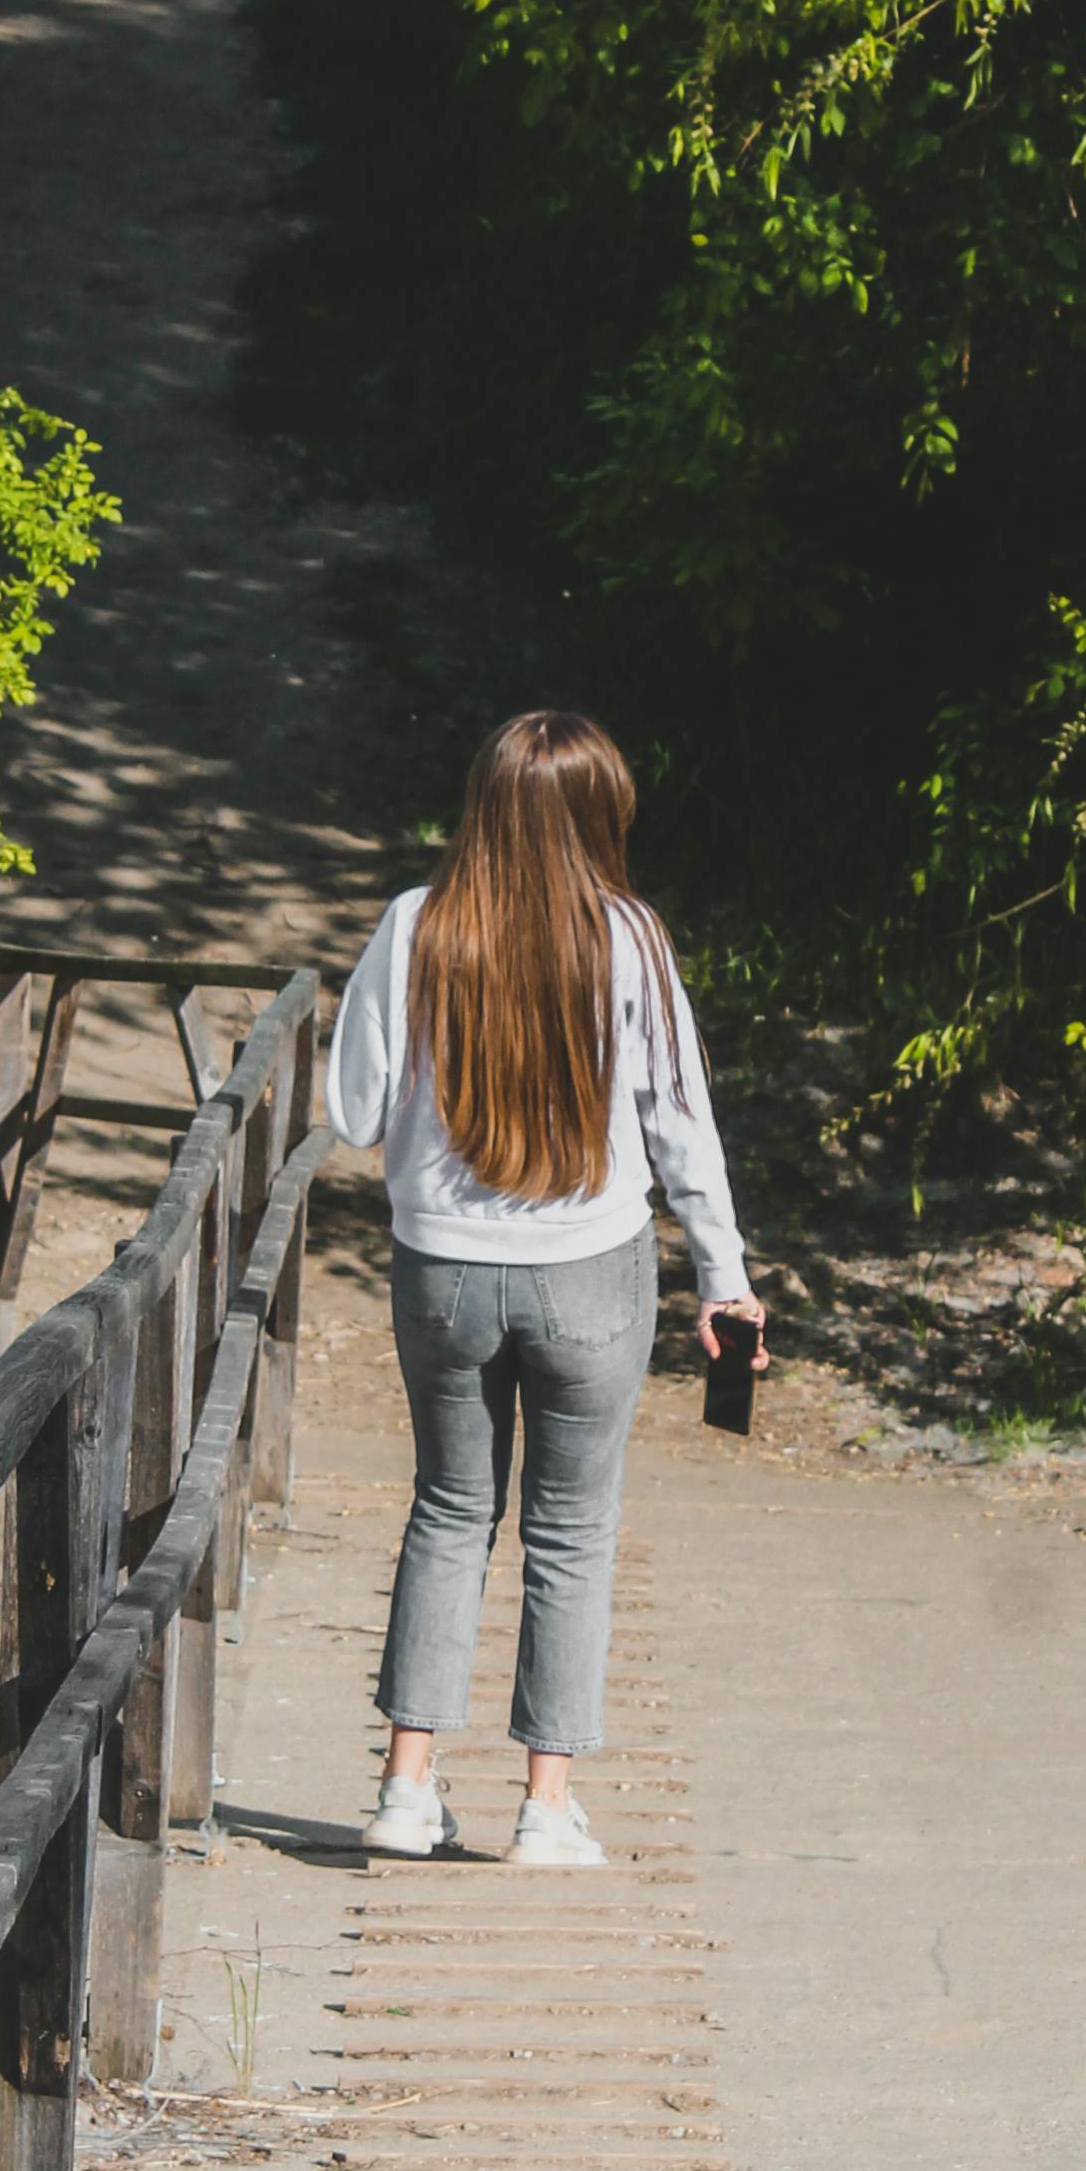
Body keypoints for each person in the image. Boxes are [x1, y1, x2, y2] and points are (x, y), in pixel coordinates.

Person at [327, 710, 765, 1868]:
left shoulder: (417, 926)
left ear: (482, 806)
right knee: (571, 1533)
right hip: (591, 1280)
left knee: (449, 1511)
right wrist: (726, 1277)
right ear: (597, 816)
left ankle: (406, 1793)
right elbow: (684, 1130)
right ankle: (545, 1808)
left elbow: (356, 1113)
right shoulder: (632, 939)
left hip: (445, 1276)